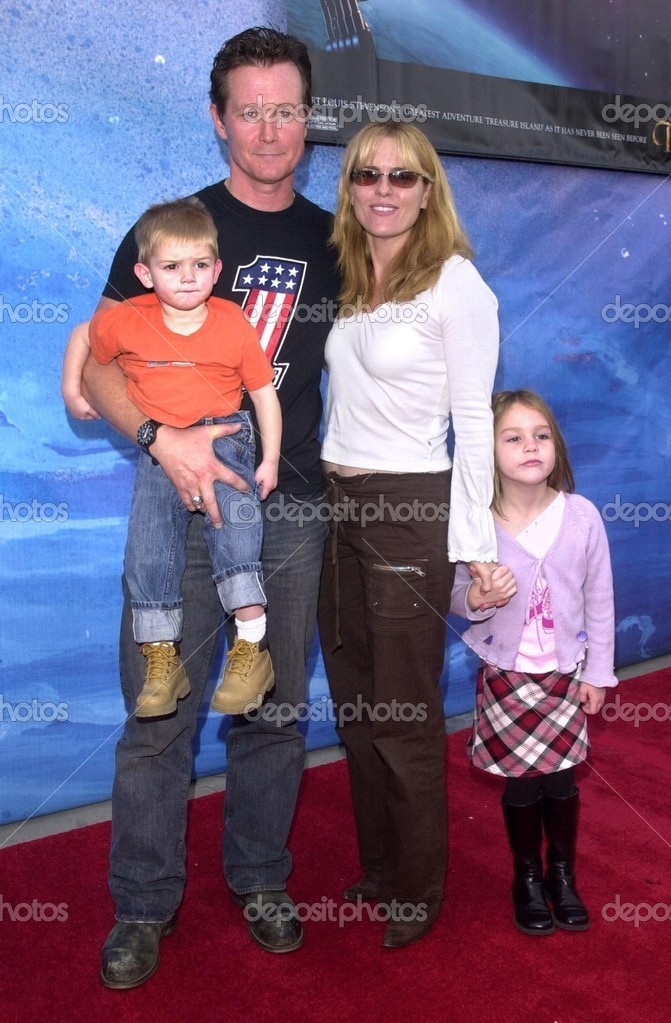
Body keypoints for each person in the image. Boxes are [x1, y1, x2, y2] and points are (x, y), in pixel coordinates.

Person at [62, 27, 338, 988]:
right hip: (174, 499)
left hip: (287, 509)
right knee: (159, 704)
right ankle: (143, 903)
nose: (270, 129)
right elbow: (98, 361)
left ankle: (261, 876)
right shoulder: (169, 227)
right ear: (219, 118)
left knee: (269, 707)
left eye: (287, 108)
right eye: (250, 109)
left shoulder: (332, 238)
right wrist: (160, 440)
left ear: (308, 118)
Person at [317, 121, 502, 948]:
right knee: (357, 701)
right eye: (367, 174)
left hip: (408, 510)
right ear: (350, 186)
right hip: (334, 505)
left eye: (402, 175)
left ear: (428, 189)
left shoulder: (455, 283)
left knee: (402, 707)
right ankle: (381, 864)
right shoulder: (351, 277)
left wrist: (474, 549)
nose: (383, 189)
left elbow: (472, 421)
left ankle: (419, 884)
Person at [63, 197, 281, 717]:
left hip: (226, 440)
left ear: (217, 269)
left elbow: (264, 391)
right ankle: (162, 660)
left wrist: (269, 458)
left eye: (200, 266)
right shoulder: (130, 318)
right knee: (149, 547)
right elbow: (82, 336)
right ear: (144, 273)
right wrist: (73, 388)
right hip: (160, 450)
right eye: (171, 267)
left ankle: (251, 648)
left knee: (236, 539)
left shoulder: (232, 322)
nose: (188, 278)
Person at [450, 389, 618, 936]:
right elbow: (454, 594)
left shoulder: (582, 515)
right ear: (487, 451)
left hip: (566, 676)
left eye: (541, 436)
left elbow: (600, 598)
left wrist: (598, 672)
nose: (531, 446)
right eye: (513, 437)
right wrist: (477, 599)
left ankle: (561, 874)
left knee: (563, 782)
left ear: (557, 447)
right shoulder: (476, 524)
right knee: (521, 784)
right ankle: (526, 877)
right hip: (505, 677)